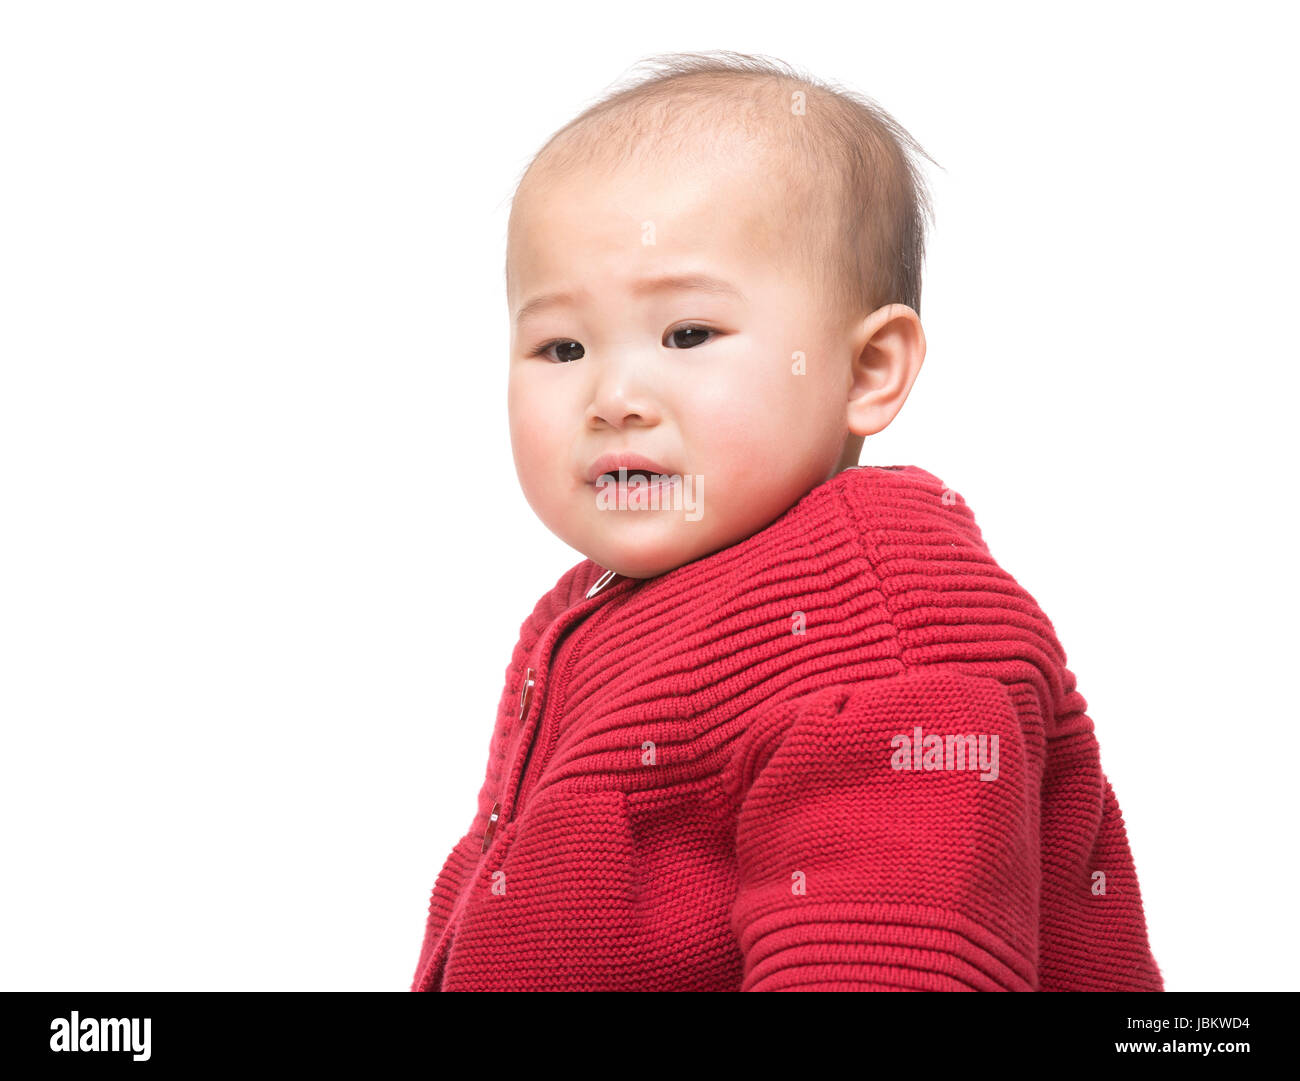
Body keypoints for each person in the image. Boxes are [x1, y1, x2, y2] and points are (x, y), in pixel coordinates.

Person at [411, 50, 1163, 991]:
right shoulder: (588, 613)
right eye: (561, 346)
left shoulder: (882, 618)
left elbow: (890, 955)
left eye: (688, 335)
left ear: (869, 368)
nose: (613, 396)